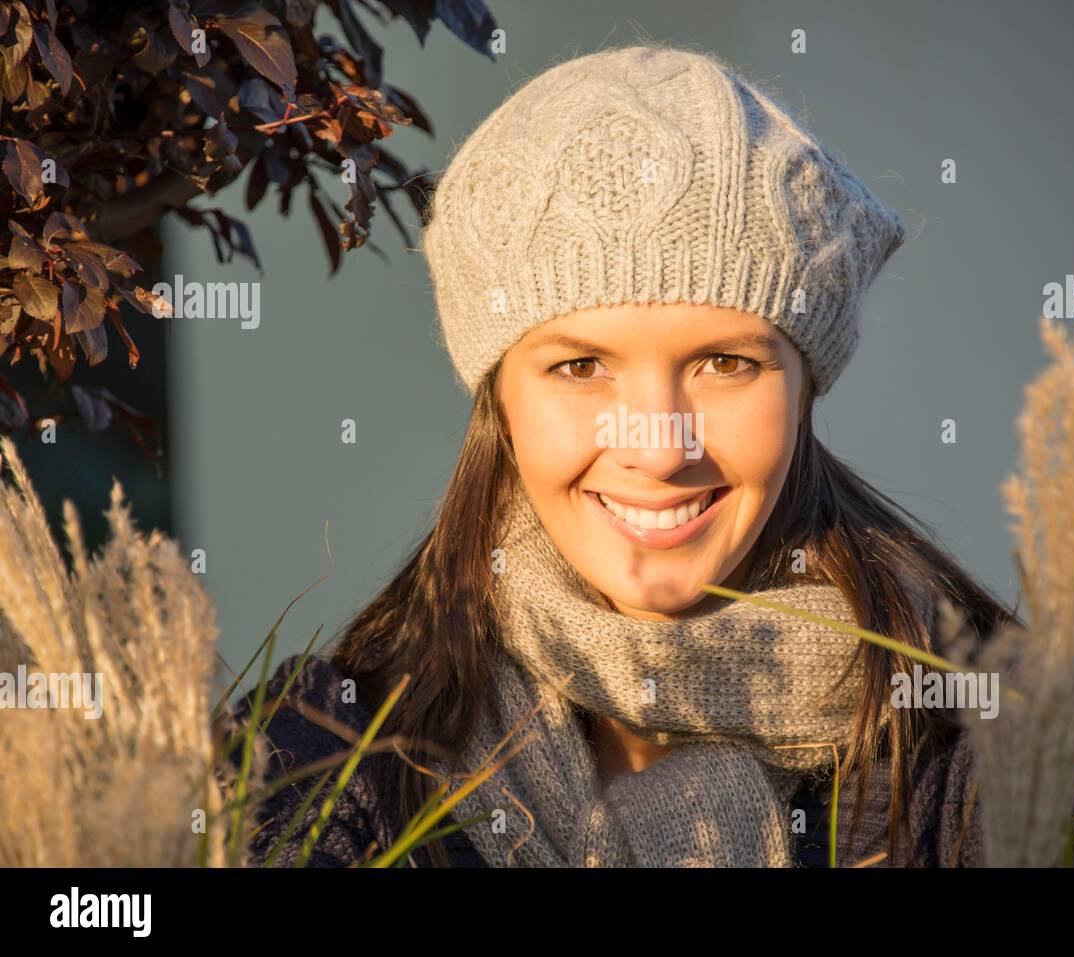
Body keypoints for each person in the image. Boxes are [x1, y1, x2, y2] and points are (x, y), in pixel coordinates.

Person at [234, 42, 1025, 868]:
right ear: (500, 403)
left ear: (805, 390)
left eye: (727, 363)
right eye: (581, 366)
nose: (657, 446)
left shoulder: (986, 747)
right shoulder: (320, 757)